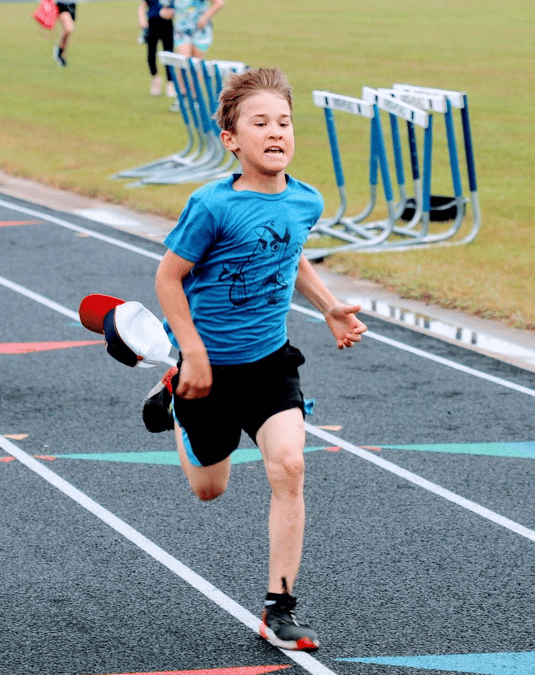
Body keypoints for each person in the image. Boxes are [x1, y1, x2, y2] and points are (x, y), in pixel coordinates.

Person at [142, 67, 367, 651]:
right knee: (208, 489)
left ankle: (279, 607)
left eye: (284, 123)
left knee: (289, 466)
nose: (275, 133)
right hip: (208, 367)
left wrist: (328, 307)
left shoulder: (306, 200)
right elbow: (168, 277)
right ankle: (176, 399)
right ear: (231, 140)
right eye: (260, 123)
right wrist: (192, 353)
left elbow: (291, 252)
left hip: (270, 363)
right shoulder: (212, 206)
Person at [139, 0, 174, 96]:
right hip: (153, 24)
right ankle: (155, 78)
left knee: (168, 54)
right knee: (151, 54)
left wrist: (171, 13)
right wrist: (142, 19)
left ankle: (170, 83)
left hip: (167, 24)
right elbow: (142, 6)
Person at [53, 2, 76, 67]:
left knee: (67, 31)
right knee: (69, 28)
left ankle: (60, 52)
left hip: (71, 4)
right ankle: (60, 51)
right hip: (61, 4)